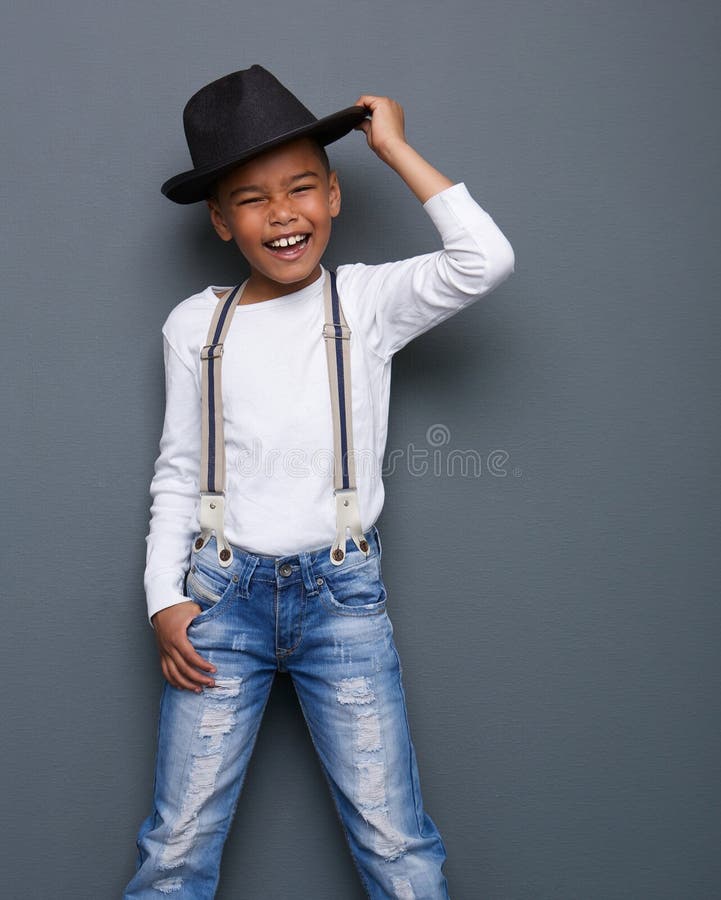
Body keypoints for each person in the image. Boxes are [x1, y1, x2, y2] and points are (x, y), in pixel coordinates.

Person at [125, 64, 515, 899]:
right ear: (222, 221)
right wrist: (164, 597)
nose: (282, 214)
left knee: (396, 843)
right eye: (253, 199)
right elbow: (180, 471)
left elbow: (485, 260)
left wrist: (396, 147)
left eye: (301, 188)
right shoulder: (197, 325)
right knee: (178, 844)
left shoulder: (368, 303)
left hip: (342, 600)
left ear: (334, 197)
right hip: (219, 600)